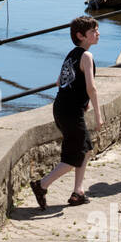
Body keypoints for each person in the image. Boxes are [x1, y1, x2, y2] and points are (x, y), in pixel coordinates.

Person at [31, 16, 104, 208]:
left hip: (61, 107)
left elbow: (59, 82)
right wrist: (98, 114)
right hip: (71, 111)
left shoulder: (72, 54)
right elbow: (92, 88)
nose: (98, 33)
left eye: (97, 30)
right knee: (74, 157)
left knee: (86, 149)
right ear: (81, 35)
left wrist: (81, 100)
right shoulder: (87, 56)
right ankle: (41, 184)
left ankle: (77, 192)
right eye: (93, 31)